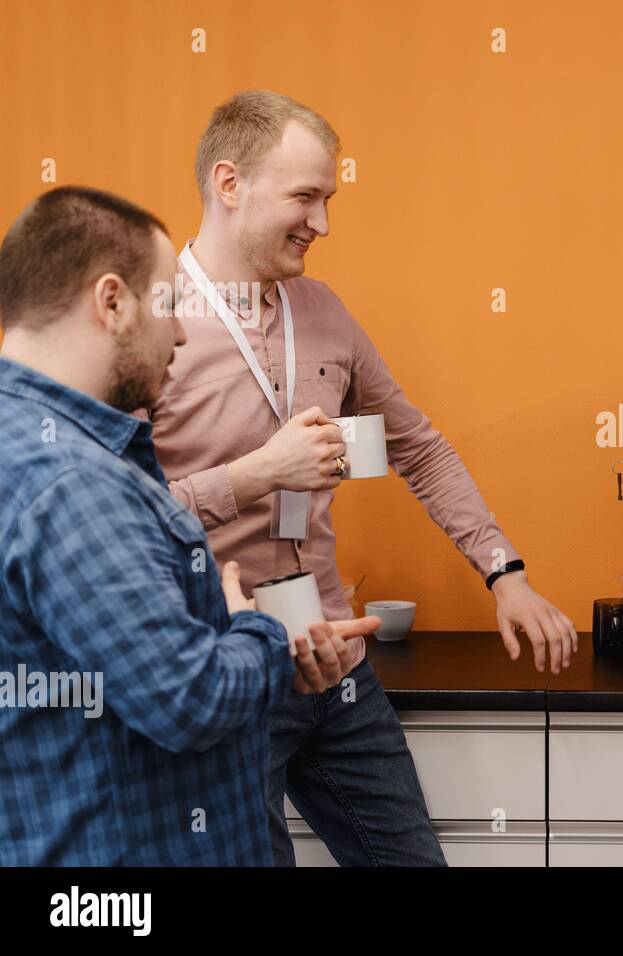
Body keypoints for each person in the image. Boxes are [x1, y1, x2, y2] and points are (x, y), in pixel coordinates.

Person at [148, 89, 579, 866]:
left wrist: (503, 571)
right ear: (229, 182)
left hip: (336, 668)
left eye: (329, 198)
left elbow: (416, 447)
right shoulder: (152, 327)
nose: (323, 222)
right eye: (305, 196)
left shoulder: (324, 314)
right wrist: (255, 475)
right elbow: (120, 519)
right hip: (222, 677)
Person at [0, 186, 373, 865]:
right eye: (169, 304)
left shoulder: (27, 443)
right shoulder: (75, 484)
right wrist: (257, 631)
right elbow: (190, 701)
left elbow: (128, 666)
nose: (179, 332)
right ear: (110, 302)